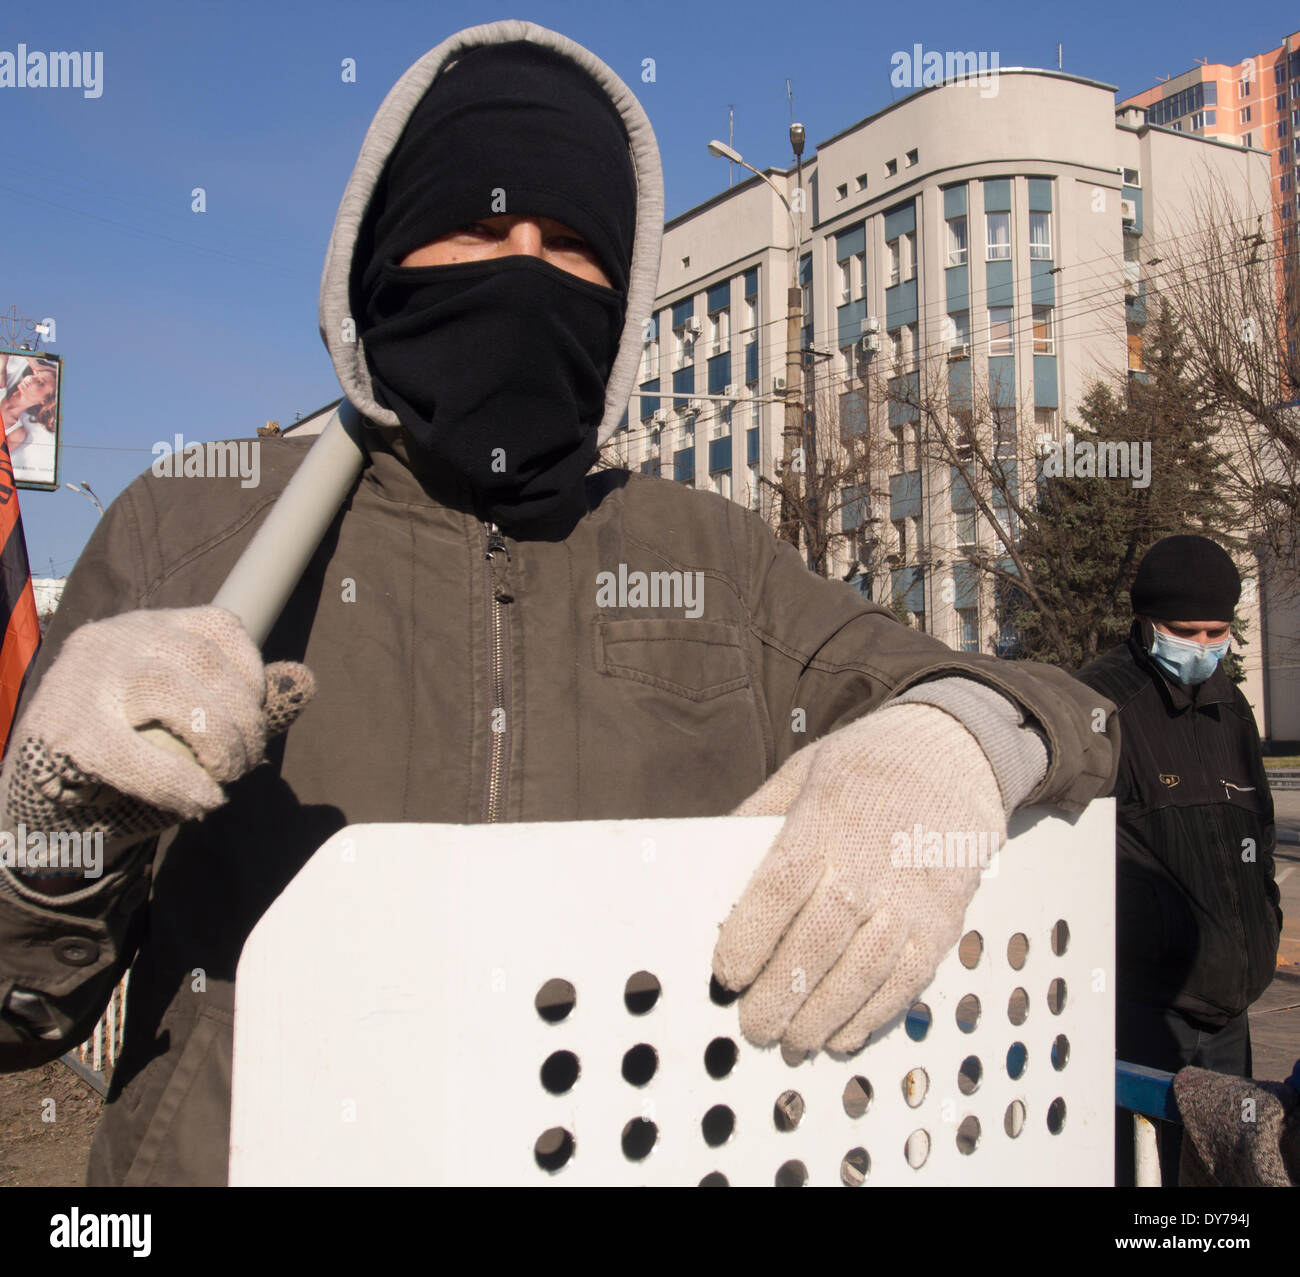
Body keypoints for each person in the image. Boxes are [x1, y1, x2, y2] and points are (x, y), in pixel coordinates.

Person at [0, 21, 1117, 1186]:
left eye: (573, 245)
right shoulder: (196, 528)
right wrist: (51, 828)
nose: (524, 268)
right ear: (380, 261)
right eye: (478, 229)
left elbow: (1078, 717)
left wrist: (954, 737)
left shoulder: (715, 561)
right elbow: (21, 1013)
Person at [1075, 534, 1282, 1186]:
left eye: (1215, 631)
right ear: (1146, 623)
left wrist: (1263, 920)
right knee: (1148, 1181)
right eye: (1186, 631)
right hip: (1145, 1013)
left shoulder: (1231, 706)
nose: (1202, 646)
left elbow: (1260, 834)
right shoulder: (1103, 705)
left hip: (1231, 1014)